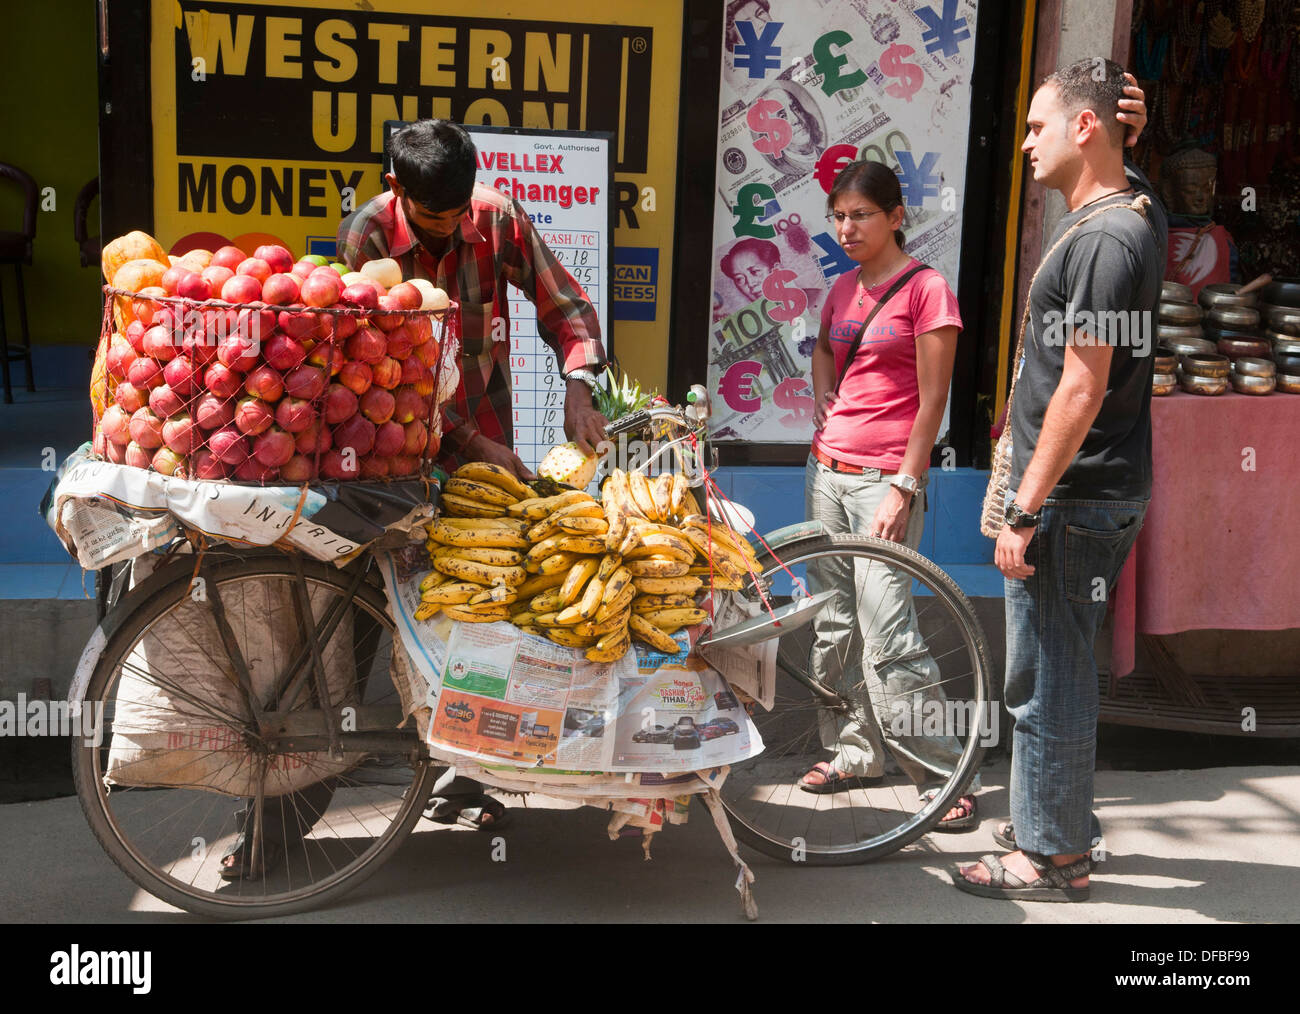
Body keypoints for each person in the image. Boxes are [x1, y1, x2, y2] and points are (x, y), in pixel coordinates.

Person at [954, 58, 1166, 901]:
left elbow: (1082, 383)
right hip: (1083, 492)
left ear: (1086, 128)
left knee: (1052, 677)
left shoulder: (1111, 237)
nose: (1025, 145)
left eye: (1038, 126)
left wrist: (1024, 506)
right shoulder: (1129, 209)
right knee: (1045, 670)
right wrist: (1130, 144)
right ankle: (1053, 819)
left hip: (1074, 499)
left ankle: (1051, 856)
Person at [801, 159, 974, 828]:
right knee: (832, 625)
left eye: (861, 215)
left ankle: (940, 770)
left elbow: (935, 402)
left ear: (897, 217)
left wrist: (905, 485)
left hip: (883, 480)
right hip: (827, 473)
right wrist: (824, 398)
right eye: (838, 216)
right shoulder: (843, 289)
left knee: (889, 635)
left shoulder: (927, 291)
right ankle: (853, 754)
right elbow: (822, 350)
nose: (847, 227)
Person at [336, 119, 610, 480]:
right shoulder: (367, 237)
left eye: (459, 211)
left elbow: (567, 306)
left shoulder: (497, 218)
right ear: (396, 186)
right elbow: (370, 370)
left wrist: (580, 392)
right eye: (434, 216)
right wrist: (465, 440)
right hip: (396, 444)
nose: (449, 225)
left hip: (488, 424)